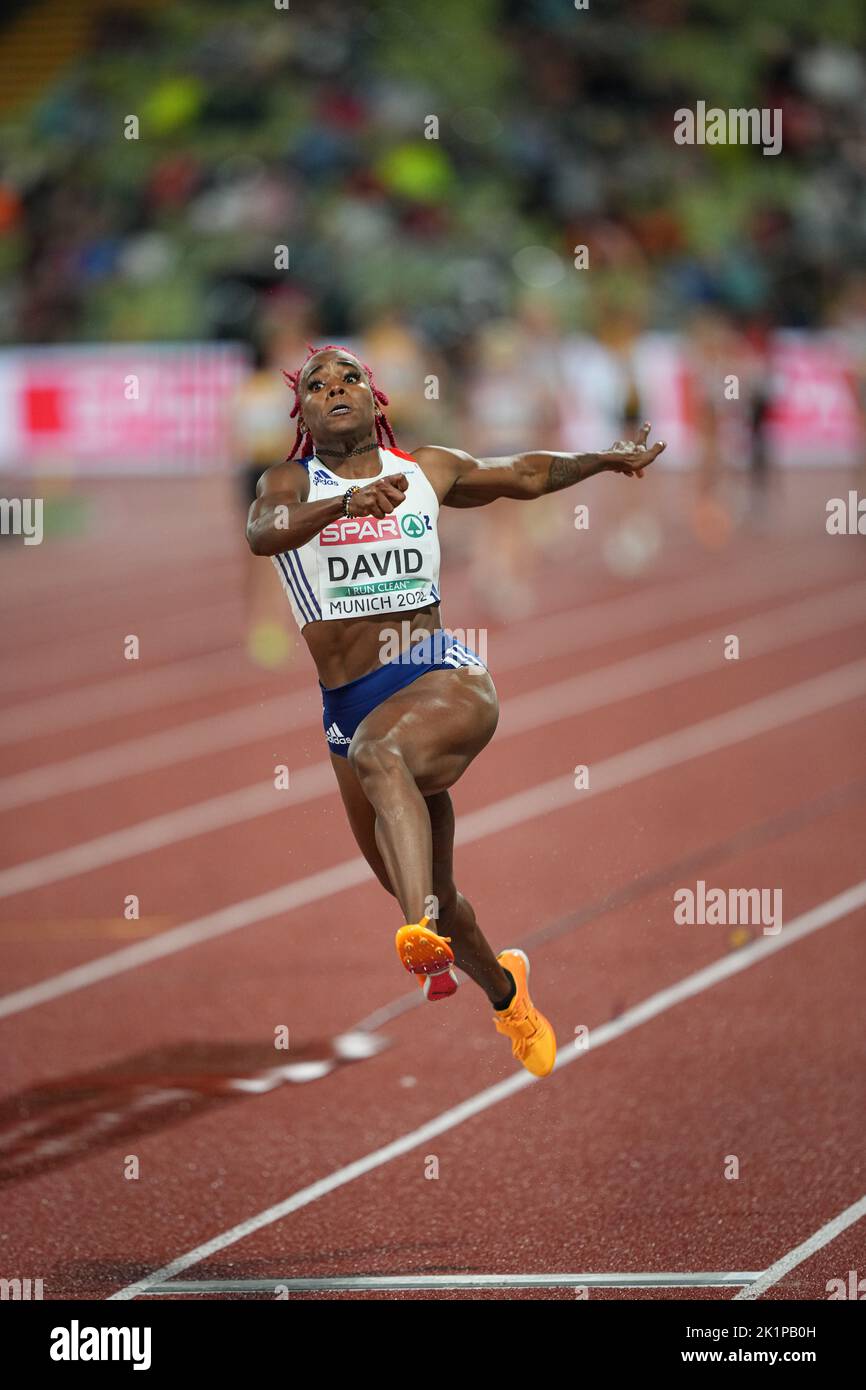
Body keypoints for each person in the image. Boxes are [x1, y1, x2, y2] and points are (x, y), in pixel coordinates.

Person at [245, 344, 666, 1077]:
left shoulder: (423, 471)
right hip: (346, 705)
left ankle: (418, 932)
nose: (336, 388)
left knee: (383, 758)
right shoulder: (287, 483)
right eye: (318, 384)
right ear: (303, 412)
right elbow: (262, 534)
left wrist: (601, 459)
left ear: (378, 404)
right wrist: (343, 503)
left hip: (440, 674)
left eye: (351, 379)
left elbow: (524, 473)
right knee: (435, 880)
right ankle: (507, 994)